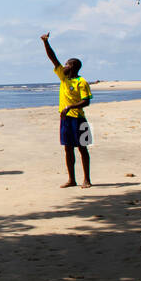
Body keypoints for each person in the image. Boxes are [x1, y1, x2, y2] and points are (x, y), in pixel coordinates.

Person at [40, 33, 92, 188]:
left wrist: (70, 106)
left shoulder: (81, 82)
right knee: (68, 149)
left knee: (83, 149)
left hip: (79, 119)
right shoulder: (64, 78)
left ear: (73, 67)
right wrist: (46, 42)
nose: (64, 66)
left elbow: (86, 101)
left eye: (67, 64)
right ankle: (72, 179)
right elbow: (53, 58)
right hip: (65, 120)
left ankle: (87, 179)